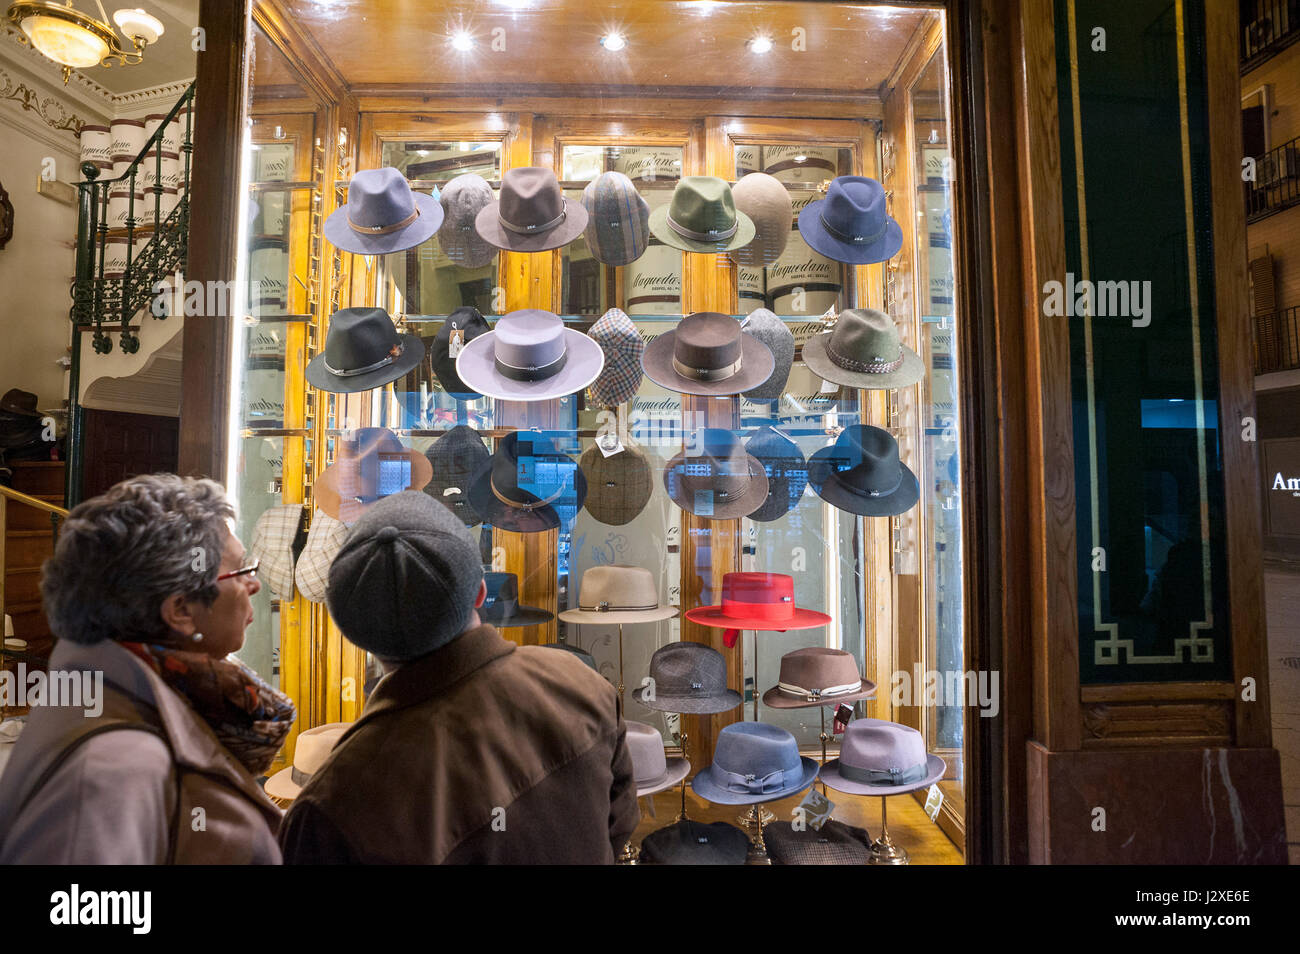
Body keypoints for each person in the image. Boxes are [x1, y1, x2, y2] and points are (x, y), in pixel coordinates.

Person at [279, 490, 639, 863]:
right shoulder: (579, 685)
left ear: (352, 630)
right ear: (481, 591)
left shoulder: (333, 803)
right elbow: (618, 827)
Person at [0, 474, 293, 863]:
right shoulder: (114, 767)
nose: (254, 585)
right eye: (241, 572)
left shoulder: (115, 696)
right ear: (182, 610)